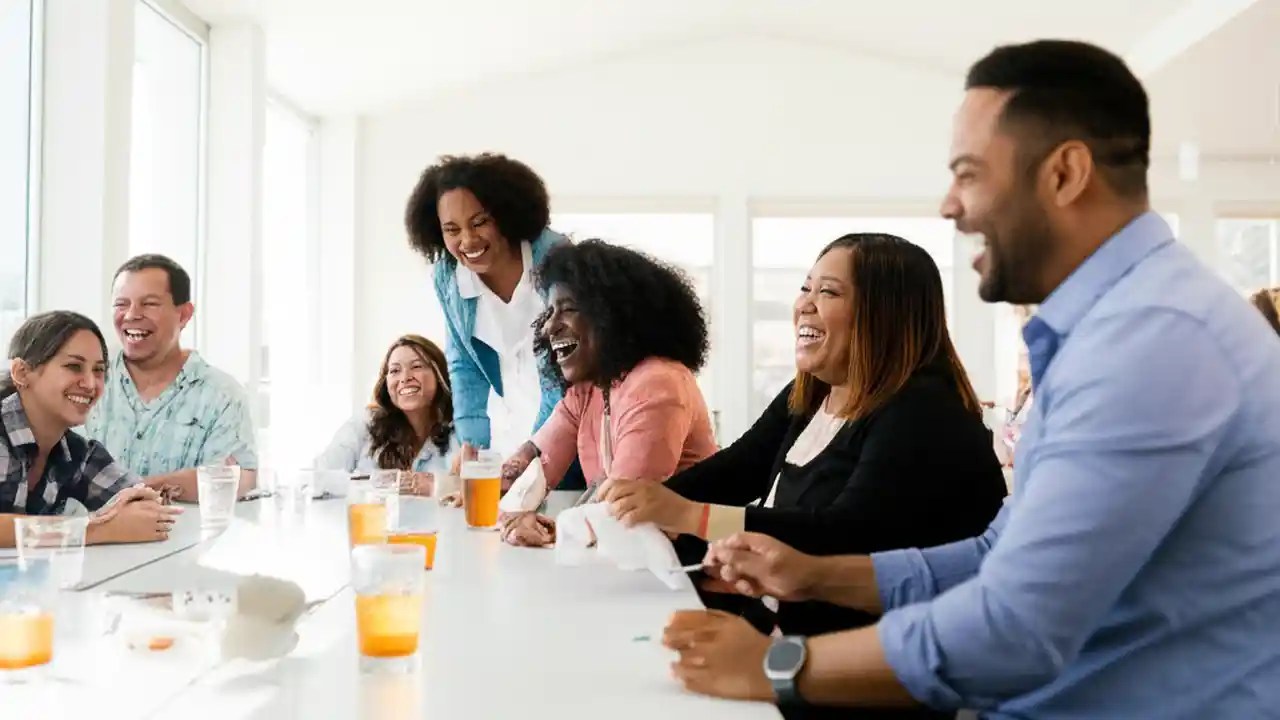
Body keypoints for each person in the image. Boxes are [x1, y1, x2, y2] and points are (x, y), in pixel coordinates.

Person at [662, 40, 1280, 719]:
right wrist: (813, 574)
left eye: (968, 174)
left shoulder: (1155, 341)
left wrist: (777, 666)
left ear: (1065, 173)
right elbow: (998, 554)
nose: (949, 205)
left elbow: (1013, 628)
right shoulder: (1116, 330)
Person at [600, 234, 1007, 650]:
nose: (804, 305)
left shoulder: (923, 409)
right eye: (805, 288)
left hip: (876, 662)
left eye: (828, 292)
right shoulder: (811, 392)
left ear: (885, 314)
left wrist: (691, 516)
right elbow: (738, 470)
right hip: (792, 630)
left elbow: (845, 535)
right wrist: (627, 511)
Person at [499, 240, 718, 546]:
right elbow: (533, 463)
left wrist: (550, 529)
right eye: (549, 312)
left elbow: (622, 509)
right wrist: (489, 486)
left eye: (568, 309)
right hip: (630, 558)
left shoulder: (657, 383)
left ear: (613, 315)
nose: (549, 327)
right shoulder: (590, 388)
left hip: (685, 569)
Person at [405, 154, 576, 484]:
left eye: (479, 222)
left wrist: (534, 450)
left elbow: (564, 375)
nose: (467, 241)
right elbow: (464, 364)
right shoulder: (449, 278)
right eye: (452, 230)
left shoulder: (557, 258)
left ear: (505, 215)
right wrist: (472, 445)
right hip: (510, 428)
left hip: (564, 429)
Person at [85, 255, 258, 501]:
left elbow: (235, 481)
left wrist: (125, 490)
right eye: (121, 304)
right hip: (92, 537)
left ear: (184, 314)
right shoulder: (87, 380)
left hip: (188, 538)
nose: (132, 315)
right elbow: (64, 477)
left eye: (150, 304)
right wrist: (183, 482)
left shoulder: (222, 395)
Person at [2, 311, 183, 547]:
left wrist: (141, 503)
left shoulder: (77, 453)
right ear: (22, 373)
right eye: (73, 366)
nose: (90, 384)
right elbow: (106, 526)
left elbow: (139, 501)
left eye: (98, 370)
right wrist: (94, 530)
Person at [315, 334, 459, 494]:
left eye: (417, 366)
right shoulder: (364, 425)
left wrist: (437, 485)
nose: (405, 378)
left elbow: (479, 484)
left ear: (439, 375)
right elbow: (317, 478)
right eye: (395, 370)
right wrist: (381, 483)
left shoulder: (460, 431)